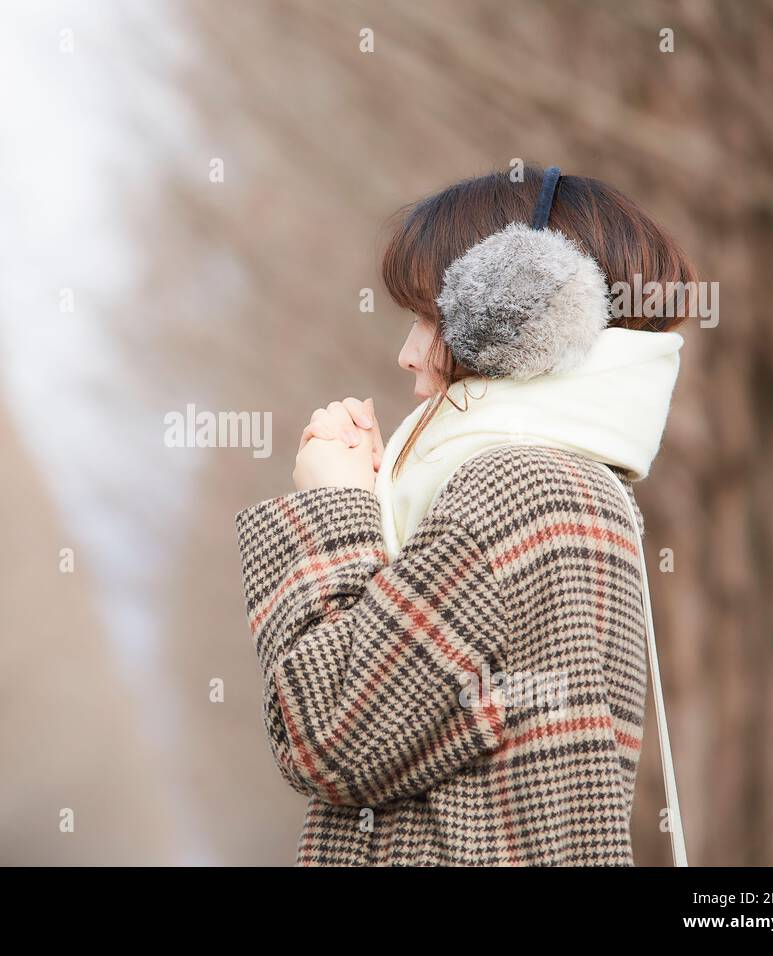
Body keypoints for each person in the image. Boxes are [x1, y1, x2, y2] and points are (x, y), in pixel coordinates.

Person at [233, 165, 694, 865]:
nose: (407, 354)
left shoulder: (517, 491)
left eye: (430, 318)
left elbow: (328, 736)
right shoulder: (572, 483)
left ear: (517, 309)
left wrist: (334, 509)